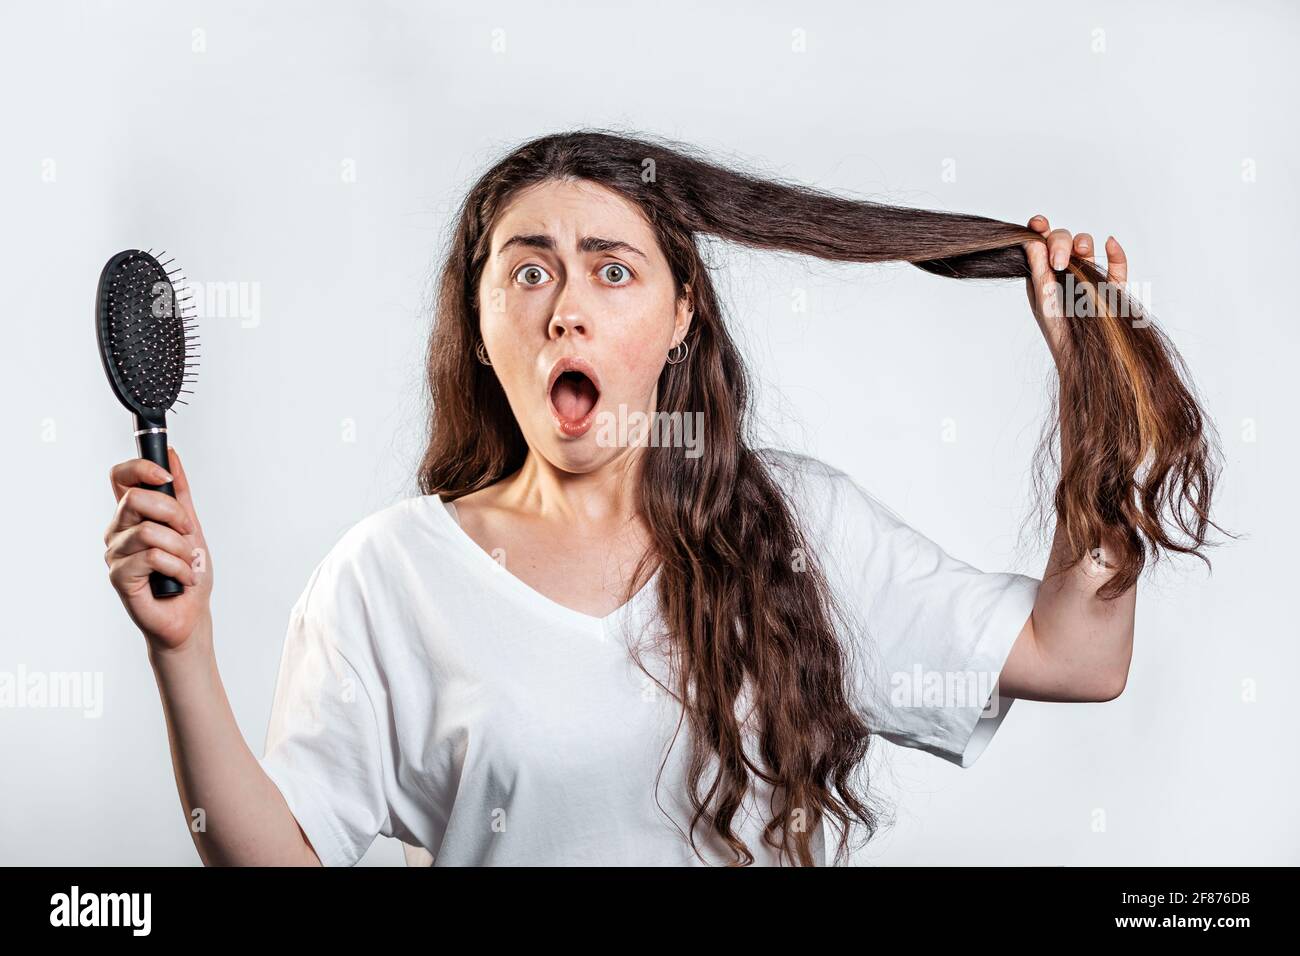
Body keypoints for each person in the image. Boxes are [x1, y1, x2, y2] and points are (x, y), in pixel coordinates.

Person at [103, 131, 1219, 866]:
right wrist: (182, 649)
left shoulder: (794, 532)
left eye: (612, 267)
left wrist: (1092, 380)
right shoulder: (388, 577)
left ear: (682, 317)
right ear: (482, 327)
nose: (566, 308)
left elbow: (1078, 655)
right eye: (527, 270)